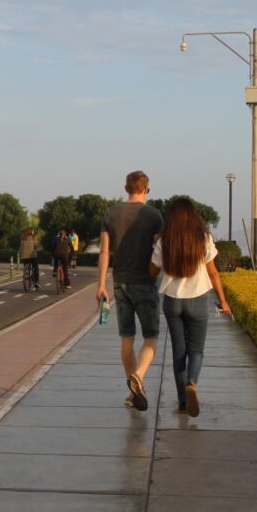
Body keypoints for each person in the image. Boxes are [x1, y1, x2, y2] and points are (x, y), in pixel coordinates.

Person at [149, 198, 231, 417]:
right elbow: (213, 273)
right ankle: (192, 382)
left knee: (179, 353)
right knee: (196, 350)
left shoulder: (164, 241)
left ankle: (183, 402)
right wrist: (223, 302)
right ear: (193, 216)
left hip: (172, 302)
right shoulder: (203, 238)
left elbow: (152, 272)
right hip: (198, 300)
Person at [97, 170, 163, 412]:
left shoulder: (111, 213)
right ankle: (139, 375)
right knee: (151, 337)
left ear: (126, 188)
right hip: (145, 282)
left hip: (120, 283)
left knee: (127, 338)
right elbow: (160, 250)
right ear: (146, 189)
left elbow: (104, 251)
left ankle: (133, 392)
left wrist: (101, 285)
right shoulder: (153, 215)